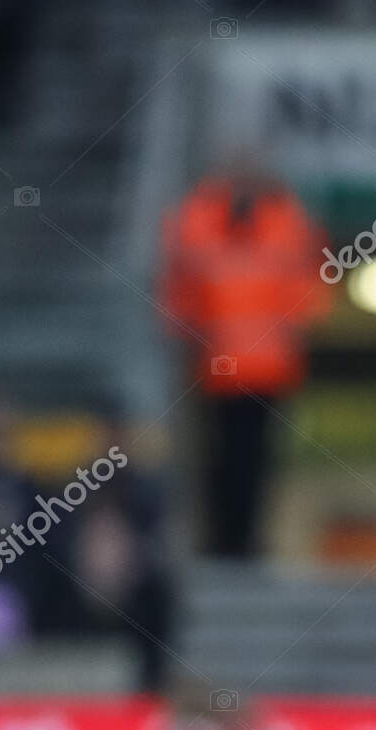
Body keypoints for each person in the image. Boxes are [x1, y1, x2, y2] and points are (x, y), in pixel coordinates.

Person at [161, 159, 328, 557]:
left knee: (254, 461)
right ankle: (224, 540)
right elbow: (181, 288)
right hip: (220, 372)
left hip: (266, 372)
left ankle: (243, 541)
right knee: (219, 461)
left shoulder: (286, 225)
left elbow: (311, 293)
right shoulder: (200, 222)